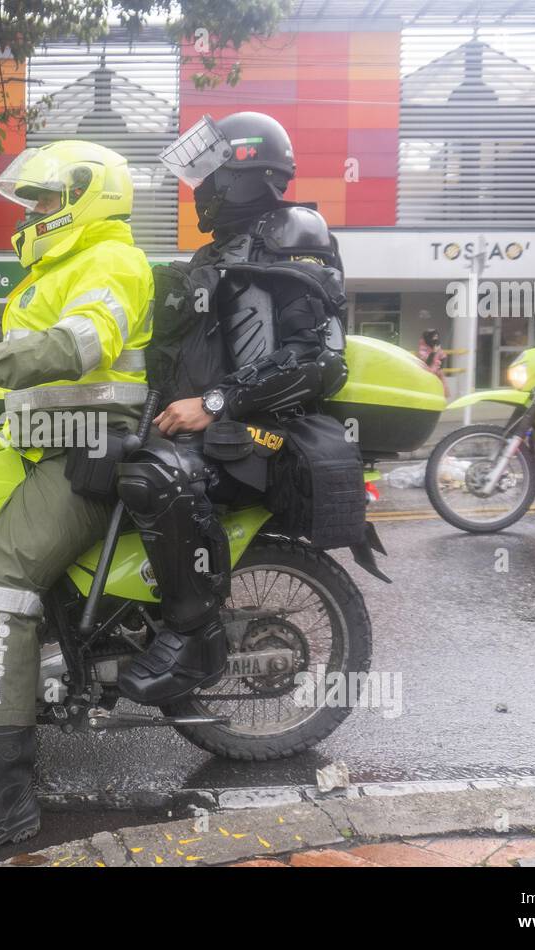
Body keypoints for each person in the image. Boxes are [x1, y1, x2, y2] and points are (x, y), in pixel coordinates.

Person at [0, 140, 152, 863]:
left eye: (47, 200)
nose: (36, 212)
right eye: (36, 202)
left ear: (88, 196)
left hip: (90, 451)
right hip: (47, 444)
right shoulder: (53, 265)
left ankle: (9, 804)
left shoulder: (111, 259)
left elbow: (78, 345)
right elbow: (26, 347)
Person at [110, 111, 356, 706]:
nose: (200, 190)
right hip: (216, 426)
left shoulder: (293, 235)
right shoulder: (213, 255)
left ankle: (193, 636)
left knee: (157, 479)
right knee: (96, 460)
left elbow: (318, 360)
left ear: (243, 172)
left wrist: (217, 402)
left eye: (209, 176)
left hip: (267, 432)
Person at [418, 328, 449, 395]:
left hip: (437, 374)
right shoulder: (423, 348)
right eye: (434, 337)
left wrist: (439, 368)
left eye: (437, 337)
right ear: (429, 338)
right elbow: (427, 363)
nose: (435, 339)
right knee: (429, 392)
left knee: (440, 392)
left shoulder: (436, 345)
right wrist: (434, 352)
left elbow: (443, 356)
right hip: (427, 375)